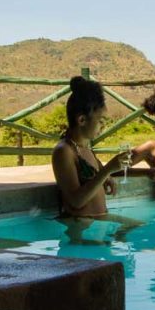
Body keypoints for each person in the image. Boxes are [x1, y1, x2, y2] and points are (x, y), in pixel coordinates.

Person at [51, 76, 131, 218]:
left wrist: (148, 172)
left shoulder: (85, 148)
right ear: (82, 120)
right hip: (82, 229)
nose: (103, 125)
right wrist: (107, 171)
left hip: (98, 222)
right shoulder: (64, 151)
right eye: (100, 120)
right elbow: (76, 201)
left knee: (140, 228)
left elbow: (102, 176)